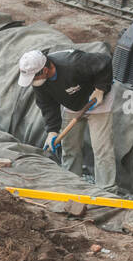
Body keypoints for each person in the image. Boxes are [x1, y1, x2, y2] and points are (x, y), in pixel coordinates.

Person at [17, 48, 117, 188]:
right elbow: (48, 106)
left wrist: (100, 89)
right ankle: (72, 185)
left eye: (34, 77)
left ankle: (107, 191)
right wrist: (52, 130)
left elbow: (105, 62)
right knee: (69, 147)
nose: (32, 82)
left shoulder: (73, 63)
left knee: (102, 149)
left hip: (97, 100)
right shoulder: (40, 84)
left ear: (45, 70)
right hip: (72, 103)